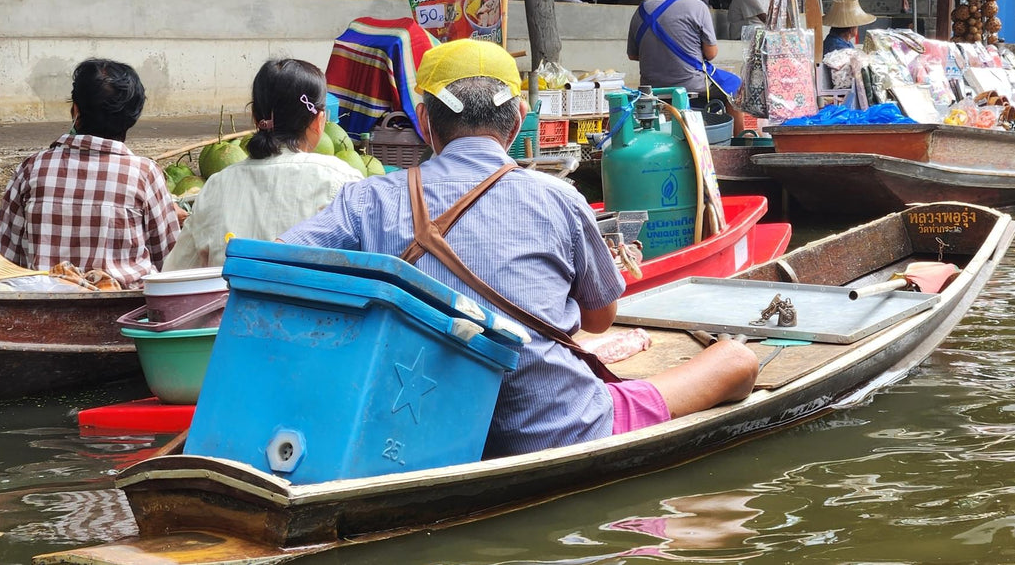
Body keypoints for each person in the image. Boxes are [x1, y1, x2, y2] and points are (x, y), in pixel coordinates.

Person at [280, 39, 758, 458]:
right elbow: (599, 319)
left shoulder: (366, 199)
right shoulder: (559, 197)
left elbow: (276, 265)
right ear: (519, 120)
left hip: (414, 428)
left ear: (424, 120)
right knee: (737, 360)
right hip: (557, 429)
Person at [0, 59, 180, 289]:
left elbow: (3, 261)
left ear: (76, 110)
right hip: (126, 316)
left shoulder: (33, 168)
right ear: (132, 118)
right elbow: (172, 263)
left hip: (44, 311)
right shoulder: (145, 175)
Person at [163, 59, 362, 271]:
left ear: (255, 117)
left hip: (230, 304)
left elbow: (175, 273)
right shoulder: (342, 180)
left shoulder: (216, 186)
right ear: (319, 121)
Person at [627, 0, 745, 134]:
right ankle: (738, 142)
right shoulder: (697, 7)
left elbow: (633, 55)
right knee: (736, 86)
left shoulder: (641, 9)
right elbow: (711, 54)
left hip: (651, 87)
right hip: (691, 84)